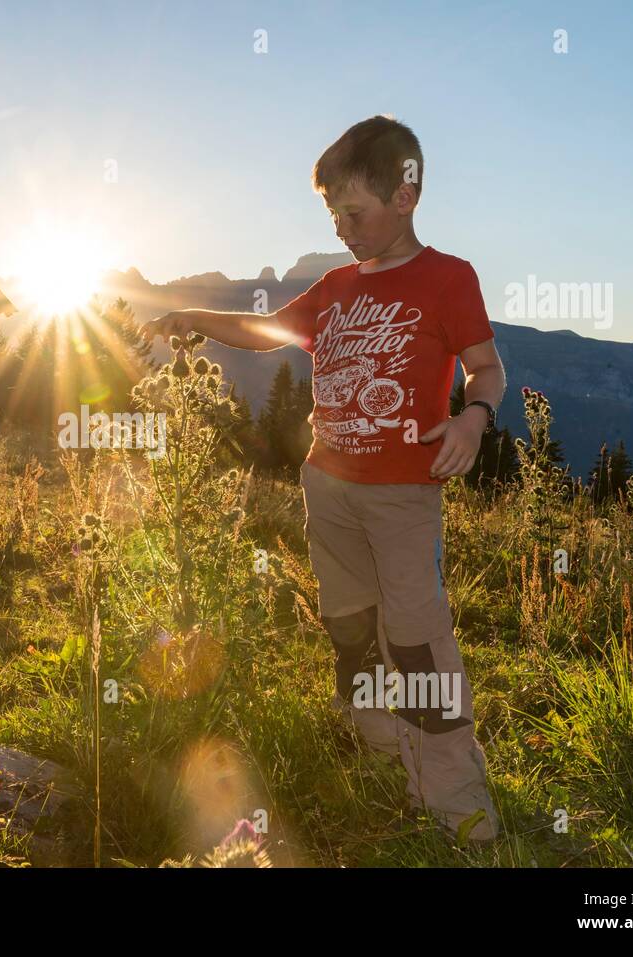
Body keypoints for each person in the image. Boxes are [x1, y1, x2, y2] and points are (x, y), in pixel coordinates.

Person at [142, 115, 507, 843]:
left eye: (355, 212)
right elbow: (267, 327)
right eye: (332, 214)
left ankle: (460, 803)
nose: (342, 227)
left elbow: (487, 366)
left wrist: (472, 418)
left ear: (405, 197)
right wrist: (193, 316)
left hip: (404, 495)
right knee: (349, 628)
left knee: (415, 639)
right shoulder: (336, 286)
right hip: (326, 489)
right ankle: (382, 754)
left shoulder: (447, 277)